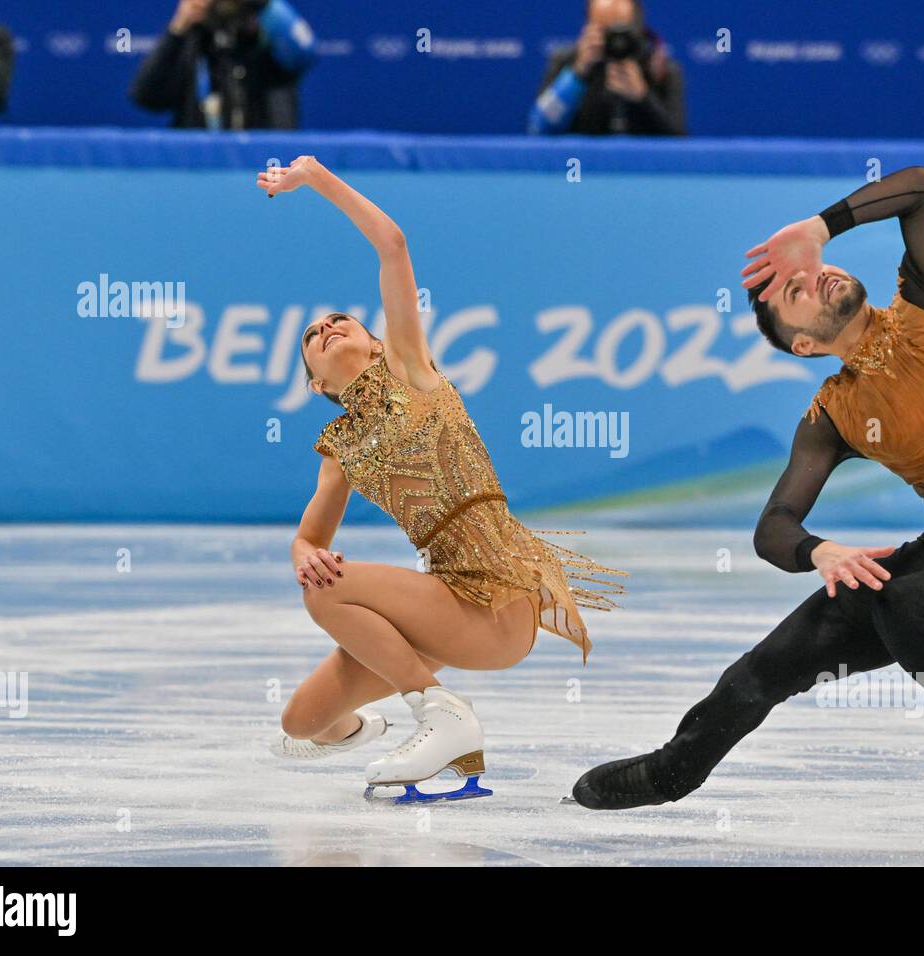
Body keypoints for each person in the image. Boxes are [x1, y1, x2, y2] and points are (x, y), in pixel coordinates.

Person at [571, 166, 924, 851]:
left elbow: (920, 191)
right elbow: (772, 529)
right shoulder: (834, 414)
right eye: (795, 292)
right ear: (805, 346)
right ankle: (675, 768)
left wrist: (816, 229)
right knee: (775, 658)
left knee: (907, 604)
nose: (814, 277)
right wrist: (821, 552)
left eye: (809, 270)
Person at [257, 156, 625, 800]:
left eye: (340, 320)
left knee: (325, 594)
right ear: (318, 385)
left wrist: (315, 178)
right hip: (449, 603)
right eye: (313, 335)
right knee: (303, 723)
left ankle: (439, 714)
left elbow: (392, 245)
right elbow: (309, 537)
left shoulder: (409, 368)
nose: (327, 326)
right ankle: (374, 724)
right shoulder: (339, 445)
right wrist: (301, 553)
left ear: (376, 343)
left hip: (501, 595)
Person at [130, 0, 315, 130]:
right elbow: (146, 97)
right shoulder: (194, 42)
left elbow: (305, 53)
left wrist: (266, 7)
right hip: (201, 164)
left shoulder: (269, 37)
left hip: (264, 161)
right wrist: (177, 30)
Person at [528, 0, 685, 136]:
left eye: (621, 30)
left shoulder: (660, 69)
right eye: (605, 30)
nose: (615, 41)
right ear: (588, 27)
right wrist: (578, 75)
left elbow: (677, 139)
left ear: (638, 28)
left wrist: (643, 97)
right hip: (580, 163)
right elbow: (539, 127)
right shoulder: (568, 62)